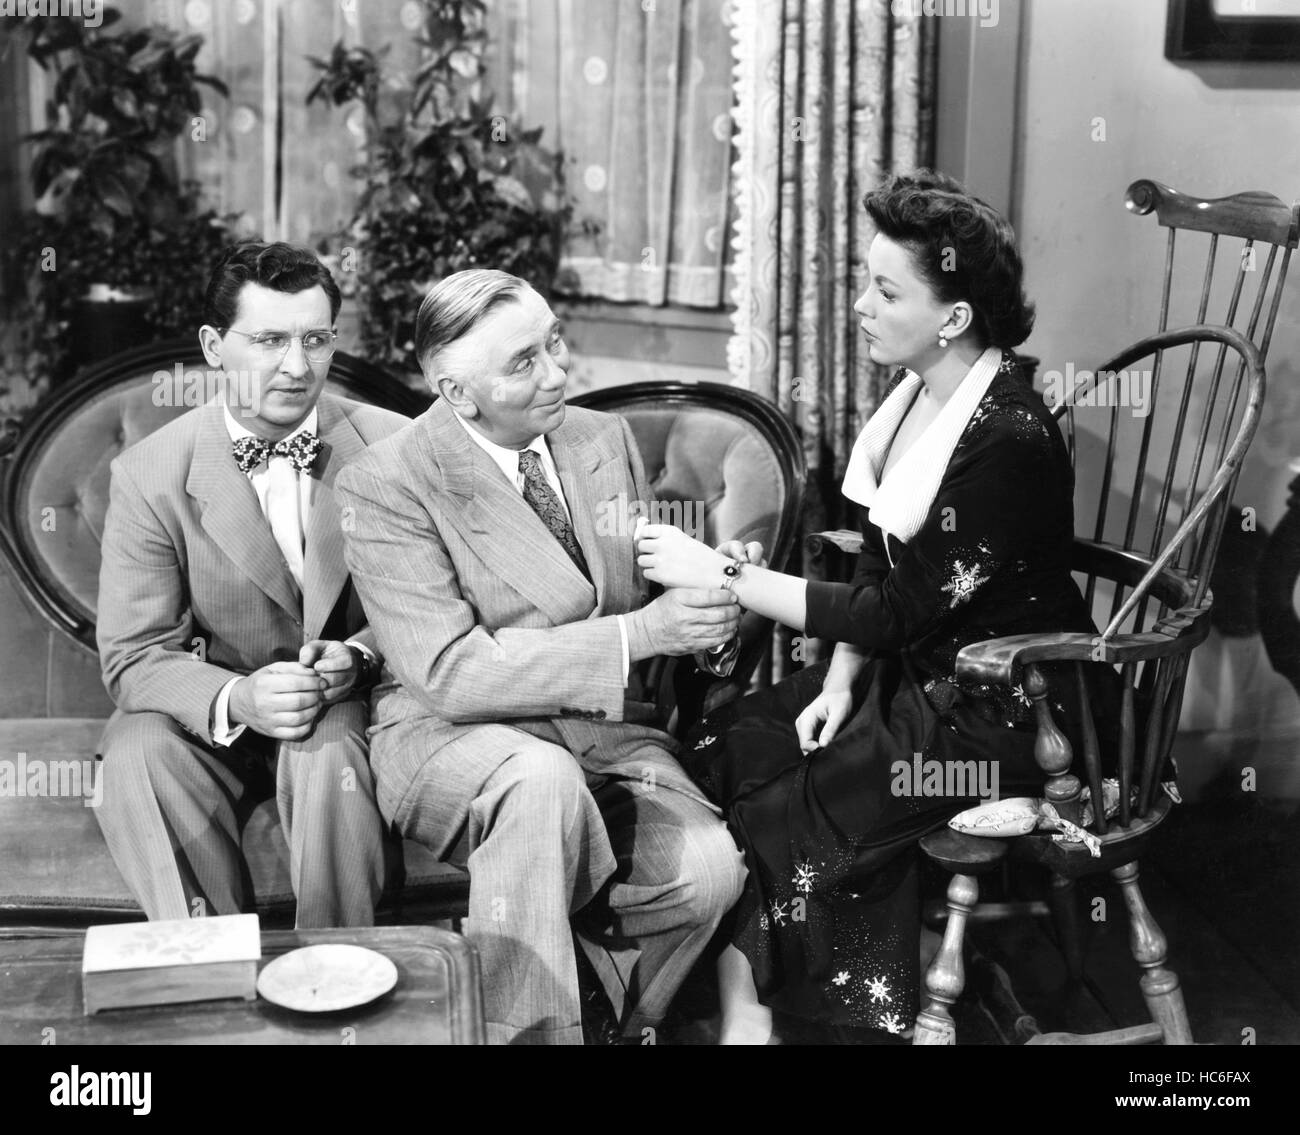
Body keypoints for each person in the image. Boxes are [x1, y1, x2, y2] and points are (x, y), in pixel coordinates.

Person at [635, 170, 1116, 1044]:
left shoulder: (1006, 437)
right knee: (737, 740)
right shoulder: (913, 402)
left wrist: (724, 575)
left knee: (791, 808)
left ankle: (758, 1025)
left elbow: (894, 610)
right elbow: (875, 566)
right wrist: (838, 681)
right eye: (866, 279)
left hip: (1008, 714)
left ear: (954, 318)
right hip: (917, 677)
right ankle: (863, 960)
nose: (860, 304)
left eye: (885, 290)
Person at [335, 268, 746, 1045]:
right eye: (523, 362)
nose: (559, 371)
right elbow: (451, 671)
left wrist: (713, 607)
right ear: (458, 394)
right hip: (446, 734)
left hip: (606, 732)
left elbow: (648, 586)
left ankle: (595, 1018)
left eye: (554, 341)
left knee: (710, 873)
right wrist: (642, 635)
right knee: (541, 785)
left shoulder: (600, 437)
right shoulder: (385, 483)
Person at [95, 241, 406, 928]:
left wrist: (357, 656)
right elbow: (134, 655)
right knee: (136, 750)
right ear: (214, 346)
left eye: (315, 339)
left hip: (343, 704)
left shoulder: (396, 447)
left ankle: (335, 981)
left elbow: (442, 599)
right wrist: (238, 696)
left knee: (330, 752)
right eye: (268, 340)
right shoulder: (149, 474)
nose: (298, 367)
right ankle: (214, 987)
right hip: (215, 717)